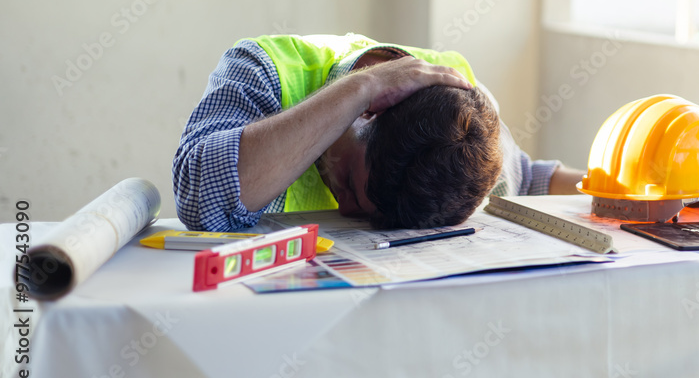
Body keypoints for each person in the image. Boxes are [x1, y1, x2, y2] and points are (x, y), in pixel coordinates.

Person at [173, 33, 584, 231]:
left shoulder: (460, 103)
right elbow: (199, 198)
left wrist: (626, 196)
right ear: (367, 113)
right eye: (352, 180)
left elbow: (525, 179)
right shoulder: (263, 69)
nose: (349, 209)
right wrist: (363, 86)